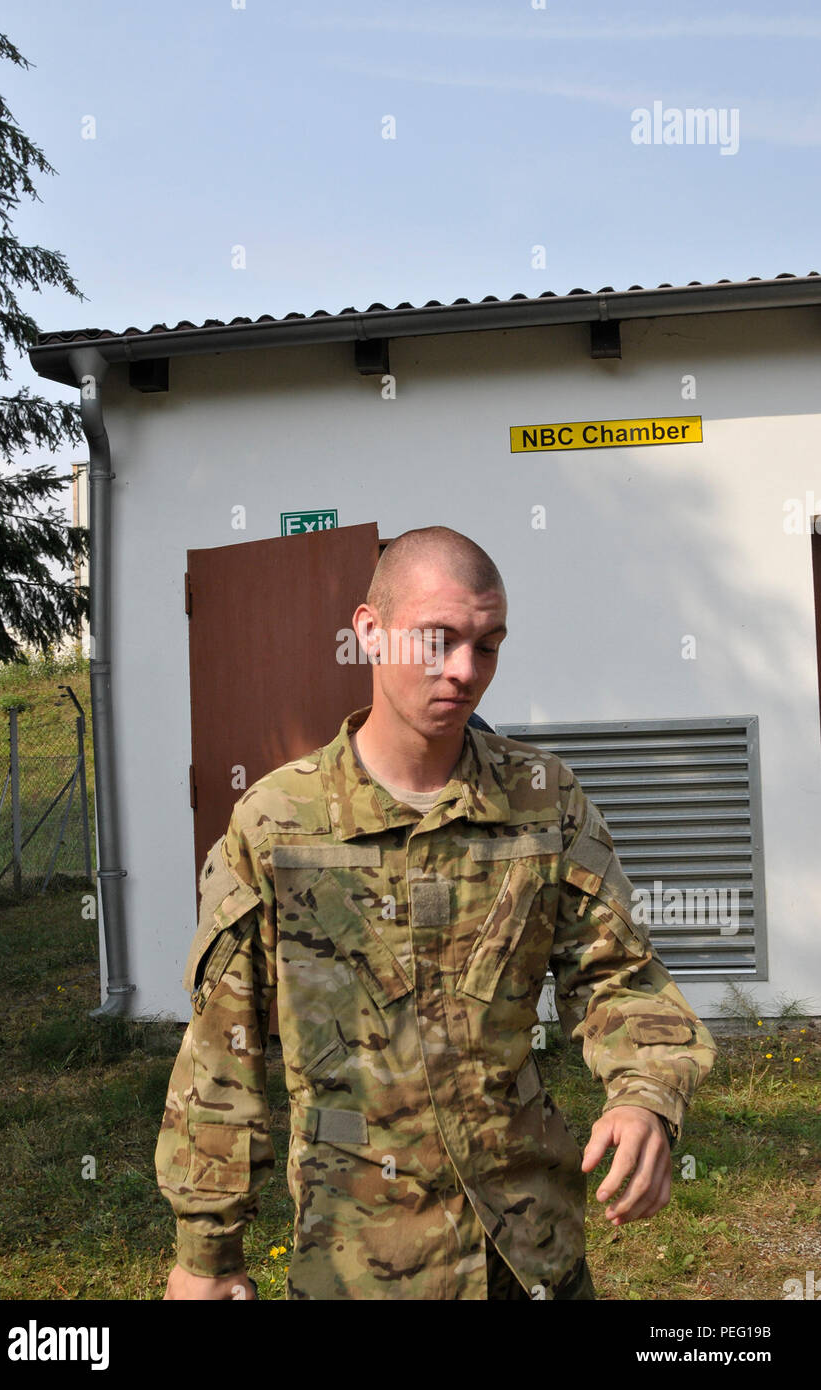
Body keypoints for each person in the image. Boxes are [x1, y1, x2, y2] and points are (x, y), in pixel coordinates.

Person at [156, 525, 717, 1300]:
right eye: (437, 639)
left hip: (527, 1252)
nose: (463, 671)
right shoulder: (277, 824)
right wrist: (206, 1253)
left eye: (486, 645)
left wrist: (644, 1096)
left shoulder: (541, 802)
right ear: (368, 632)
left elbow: (617, 973)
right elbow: (224, 1051)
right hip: (358, 1263)